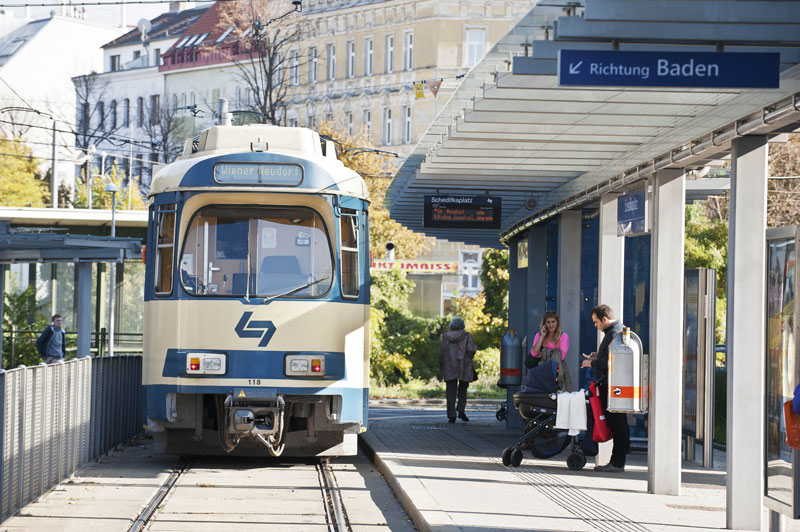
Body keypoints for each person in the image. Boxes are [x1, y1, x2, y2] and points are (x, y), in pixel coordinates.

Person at [581, 304, 628, 472]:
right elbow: (608, 357)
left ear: (605, 320)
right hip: (613, 385)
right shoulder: (614, 332)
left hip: (612, 386)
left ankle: (617, 462)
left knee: (617, 424)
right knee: (617, 424)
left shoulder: (614, 334)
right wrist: (596, 356)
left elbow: (609, 363)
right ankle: (616, 461)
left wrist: (591, 362)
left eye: (596, 322)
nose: (595, 326)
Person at [438, 316, 477, 423]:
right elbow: (471, 350)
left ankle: (451, 415)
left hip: (449, 366)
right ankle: (461, 410)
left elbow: (442, 352)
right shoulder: (467, 336)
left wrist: (441, 363)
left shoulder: (446, 337)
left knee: (450, 391)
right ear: (462, 325)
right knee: (463, 390)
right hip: (464, 365)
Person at [529, 311, 573, 392]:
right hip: (541, 372)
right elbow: (534, 353)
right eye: (548, 322)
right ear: (544, 324)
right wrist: (542, 336)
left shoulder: (563, 336)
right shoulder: (538, 335)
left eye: (553, 321)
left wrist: (543, 353)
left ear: (557, 323)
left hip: (556, 372)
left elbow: (561, 356)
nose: (551, 324)